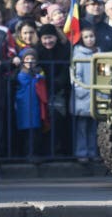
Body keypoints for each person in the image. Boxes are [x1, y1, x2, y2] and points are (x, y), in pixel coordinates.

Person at [35, 24, 71, 156]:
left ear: (55, 37)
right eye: (44, 38)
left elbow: (66, 69)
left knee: (59, 119)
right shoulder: (38, 50)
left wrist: (58, 83)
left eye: (50, 37)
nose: (47, 41)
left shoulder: (64, 49)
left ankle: (59, 150)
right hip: (43, 90)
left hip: (59, 89)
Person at [71, 26, 100, 163]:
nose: (89, 40)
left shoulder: (100, 53)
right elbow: (75, 78)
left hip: (97, 97)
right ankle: (81, 152)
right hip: (83, 98)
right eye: (86, 37)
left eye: (91, 36)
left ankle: (93, 152)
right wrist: (83, 92)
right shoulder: (78, 55)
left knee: (94, 128)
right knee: (82, 128)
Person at [12, 47, 48, 159]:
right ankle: (28, 154)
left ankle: (33, 153)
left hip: (35, 106)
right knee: (27, 133)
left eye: (32, 59)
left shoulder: (39, 73)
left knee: (35, 132)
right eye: (27, 58)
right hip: (25, 106)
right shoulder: (20, 74)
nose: (30, 61)